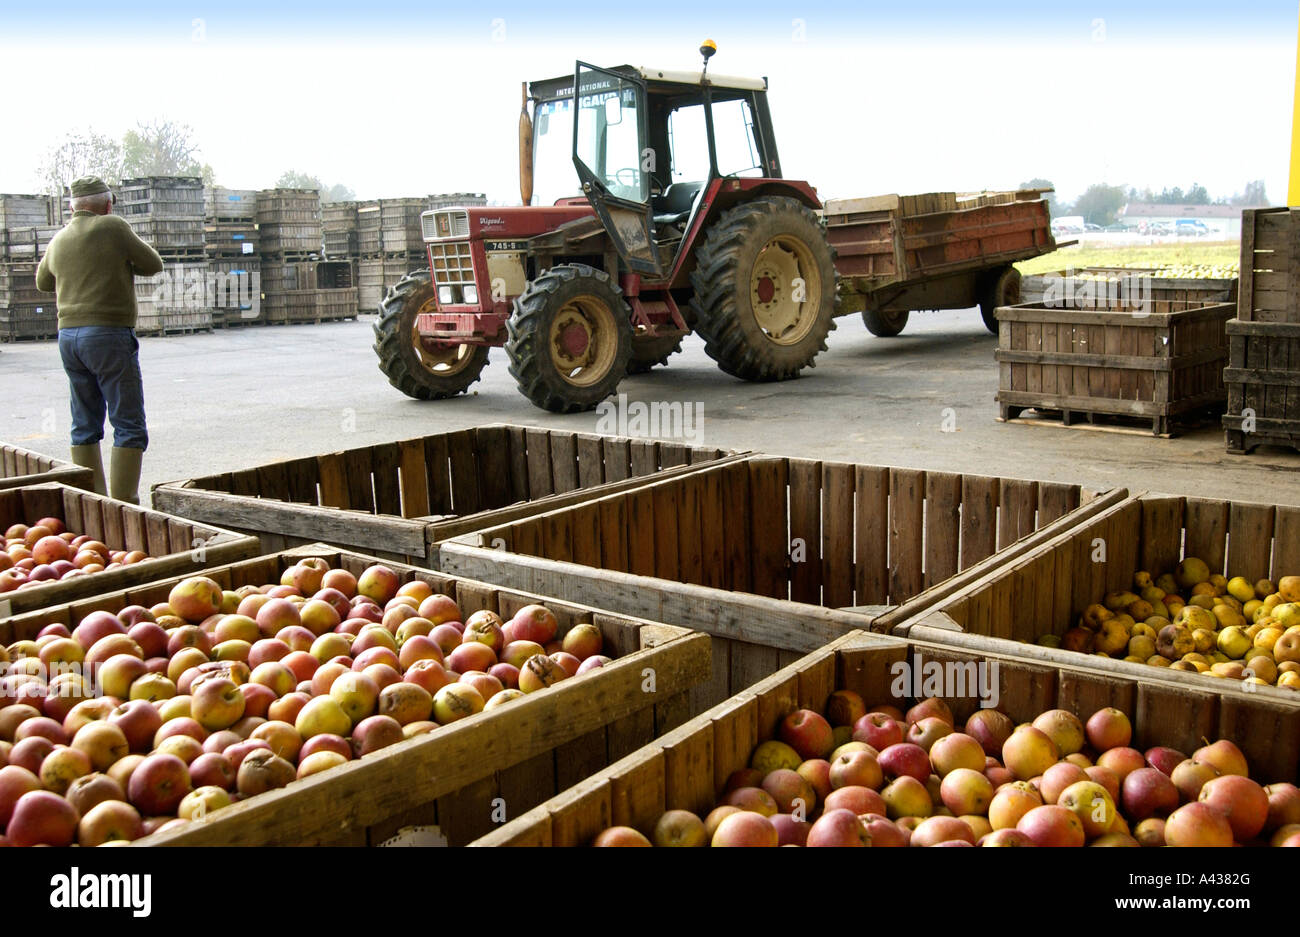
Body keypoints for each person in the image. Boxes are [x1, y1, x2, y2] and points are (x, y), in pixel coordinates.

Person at [35, 176, 162, 504]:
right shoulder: (113, 227)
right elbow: (153, 263)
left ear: (72, 208)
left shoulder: (60, 238)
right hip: (108, 335)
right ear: (107, 205)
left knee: (84, 423)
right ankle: (123, 507)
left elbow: (43, 282)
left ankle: (93, 505)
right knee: (128, 424)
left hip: (69, 339)